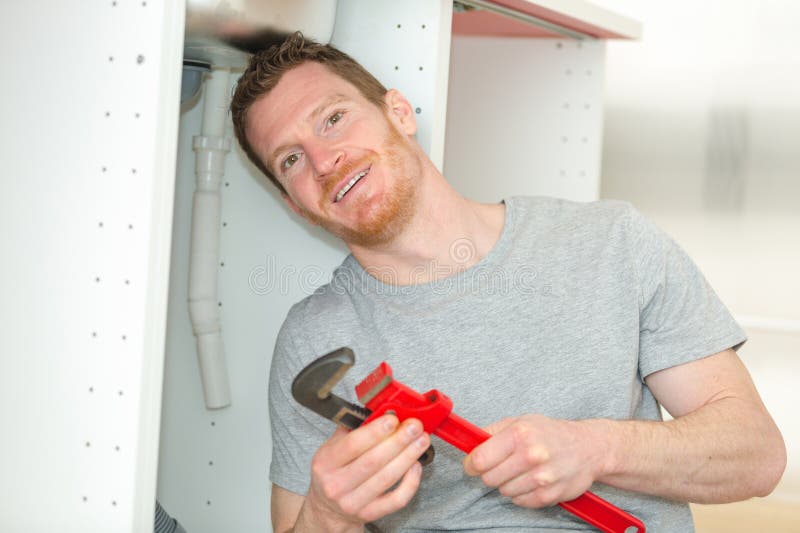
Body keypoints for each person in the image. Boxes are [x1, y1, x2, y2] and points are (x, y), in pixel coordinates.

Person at [230, 32, 786, 532]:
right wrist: (329, 515)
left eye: (333, 118)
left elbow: (755, 455)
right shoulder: (312, 338)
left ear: (398, 112)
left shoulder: (611, 243)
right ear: (294, 205)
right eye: (292, 159)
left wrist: (596, 449)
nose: (325, 160)